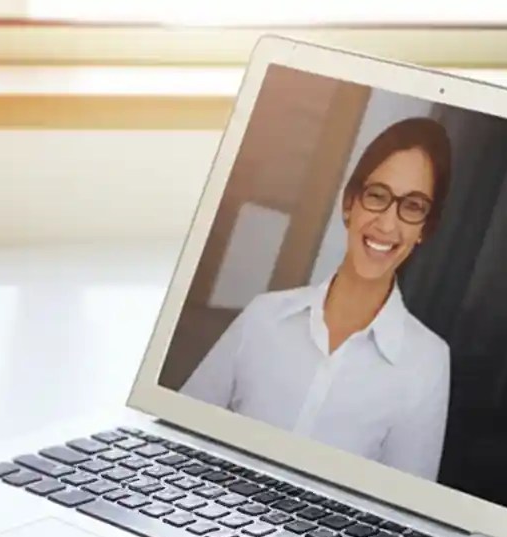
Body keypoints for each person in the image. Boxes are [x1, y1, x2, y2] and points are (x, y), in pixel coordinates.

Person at [181, 117, 453, 481]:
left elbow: (402, 504)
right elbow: (178, 433)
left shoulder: (427, 362)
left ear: (424, 229)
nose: (388, 225)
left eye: (413, 206)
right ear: (349, 204)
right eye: (377, 196)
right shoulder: (264, 317)